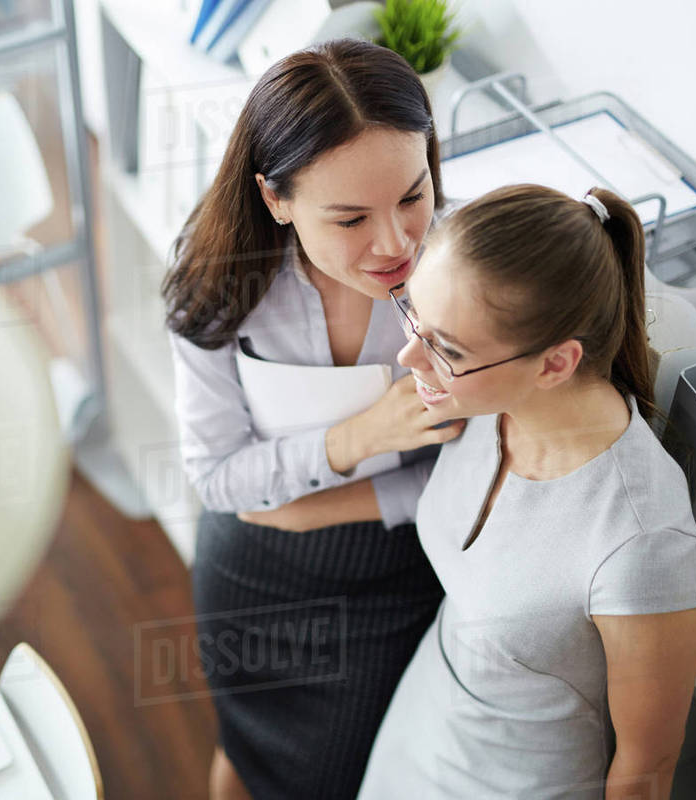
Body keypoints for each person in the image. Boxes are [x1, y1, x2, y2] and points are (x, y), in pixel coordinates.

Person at [162, 39, 465, 800]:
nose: (395, 243)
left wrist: (313, 509)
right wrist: (361, 437)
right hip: (252, 573)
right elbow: (216, 474)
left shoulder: (465, 272)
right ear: (276, 198)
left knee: (336, 775)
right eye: (351, 218)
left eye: (412, 195)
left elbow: (477, 466)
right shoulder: (219, 288)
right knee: (244, 747)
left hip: (393, 574)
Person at [356, 184, 696, 799]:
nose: (411, 356)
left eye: (447, 348)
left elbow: (645, 772)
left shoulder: (641, 540)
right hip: (421, 730)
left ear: (555, 364)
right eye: (416, 317)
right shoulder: (487, 400)